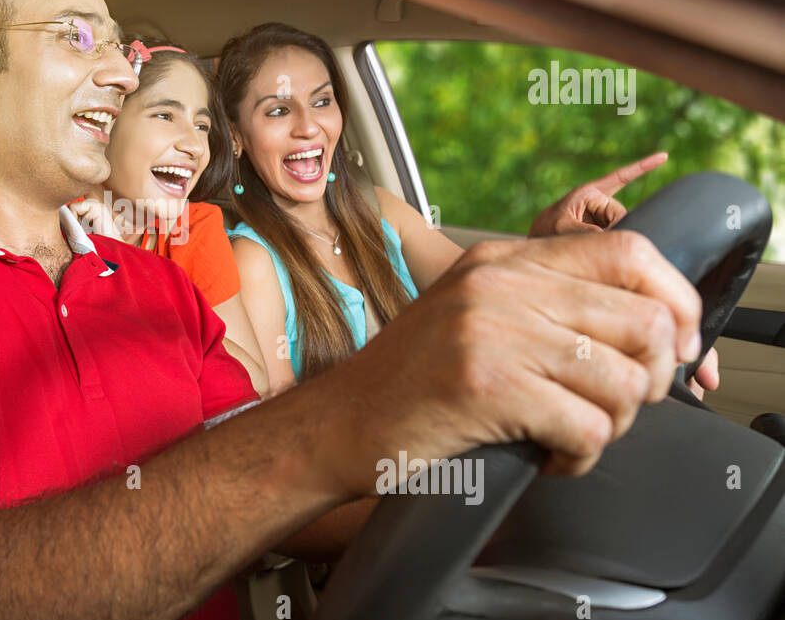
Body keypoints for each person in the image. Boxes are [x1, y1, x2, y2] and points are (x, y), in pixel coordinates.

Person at [0, 0, 705, 620]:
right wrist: (361, 411)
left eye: (121, 47)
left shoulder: (155, 290)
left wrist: (511, 461)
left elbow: (293, 507)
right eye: (77, 38)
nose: (121, 73)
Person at [218, 21, 720, 398]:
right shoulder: (254, 261)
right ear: (237, 137)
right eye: (279, 111)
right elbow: (278, 428)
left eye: (322, 101)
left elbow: (477, 281)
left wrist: (549, 243)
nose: (309, 127)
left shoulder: (378, 209)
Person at [69, 38, 267, 393]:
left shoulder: (194, 229)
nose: (193, 145)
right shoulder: (53, 219)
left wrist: (128, 273)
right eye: (164, 115)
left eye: (202, 126)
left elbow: (251, 380)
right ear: (106, 121)